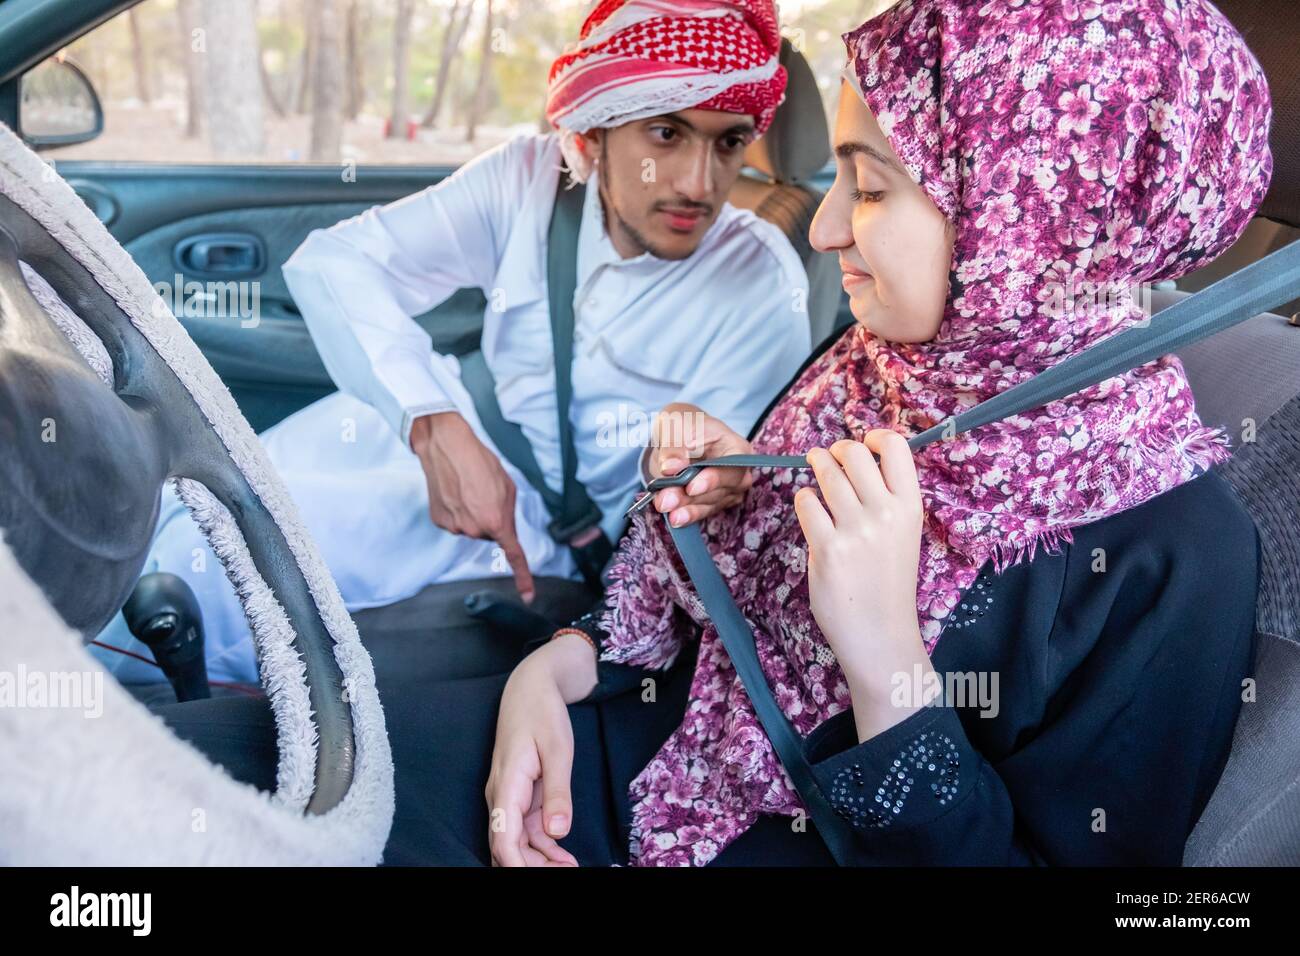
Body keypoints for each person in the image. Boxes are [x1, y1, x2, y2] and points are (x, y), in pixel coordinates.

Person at [157, 0, 1270, 867]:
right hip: (617, 750)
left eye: (873, 189)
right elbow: (692, 613)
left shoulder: (1174, 555)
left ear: (1030, 209)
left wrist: (886, 670)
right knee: (189, 787)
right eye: (836, 179)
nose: (825, 223)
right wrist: (560, 665)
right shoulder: (864, 372)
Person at [92, 0, 811, 686]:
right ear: (594, 135)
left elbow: (708, 484)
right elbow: (333, 263)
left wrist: (683, 463)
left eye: (728, 142)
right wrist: (431, 424)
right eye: (666, 133)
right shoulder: (531, 180)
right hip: (447, 414)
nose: (698, 182)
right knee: (188, 492)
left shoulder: (760, 280)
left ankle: (108, 729)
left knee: (214, 566)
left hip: (545, 527)